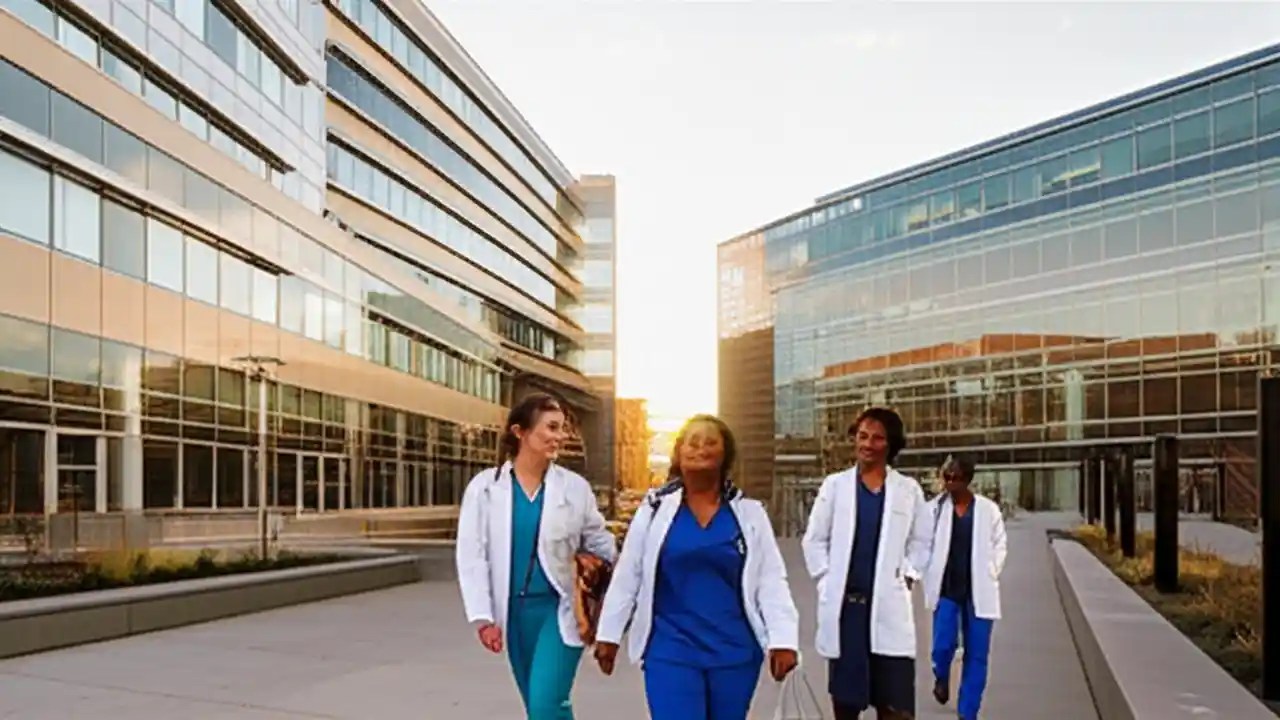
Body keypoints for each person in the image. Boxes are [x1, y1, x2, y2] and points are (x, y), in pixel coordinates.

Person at [593, 414, 800, 719]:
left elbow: (771, 581)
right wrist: (609, 633)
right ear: (679, 453)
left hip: (734, 654)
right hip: (670, 650)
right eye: (692, 442)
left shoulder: (749, 514)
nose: (700, 449)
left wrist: (783, 640)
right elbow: (629, 575)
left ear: (724, 454)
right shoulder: (654, 511)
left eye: (710, 443)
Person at [455, 393, 618, 719]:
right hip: (513, 612)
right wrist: (483, 617)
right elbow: (471, 554)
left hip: (560, 611)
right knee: (537, 705)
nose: (560, 436)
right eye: (552, 428)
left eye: (562, 429)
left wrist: (612, 583)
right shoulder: (485, 488)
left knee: (546, 703)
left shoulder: (574, 488)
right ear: (520, 432)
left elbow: (599, 541)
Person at [801, 406, 931, 720]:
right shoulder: (835, 486)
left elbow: (923, 541)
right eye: (862, 436)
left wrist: (909, 575)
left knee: (896, 708)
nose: (867, 444)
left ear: (890, 444)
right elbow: (814, 539)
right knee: (845, 707)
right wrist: (826, 579)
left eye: (876, 438)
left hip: (889, 609)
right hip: (848, 612)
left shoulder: (907, 490)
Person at [922, 454, 1008, 720]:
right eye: (946, 477)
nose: (949, 483)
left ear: (968, 479)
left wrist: (992, 570)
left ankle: (967, 711)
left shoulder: (987, 510)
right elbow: (921, 543)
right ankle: (941, 675)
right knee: (942, 645)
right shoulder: (934, 510)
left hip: (978, 591)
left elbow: (1000, 544)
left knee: (977, 654)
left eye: (955, 478)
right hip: (947, 589)